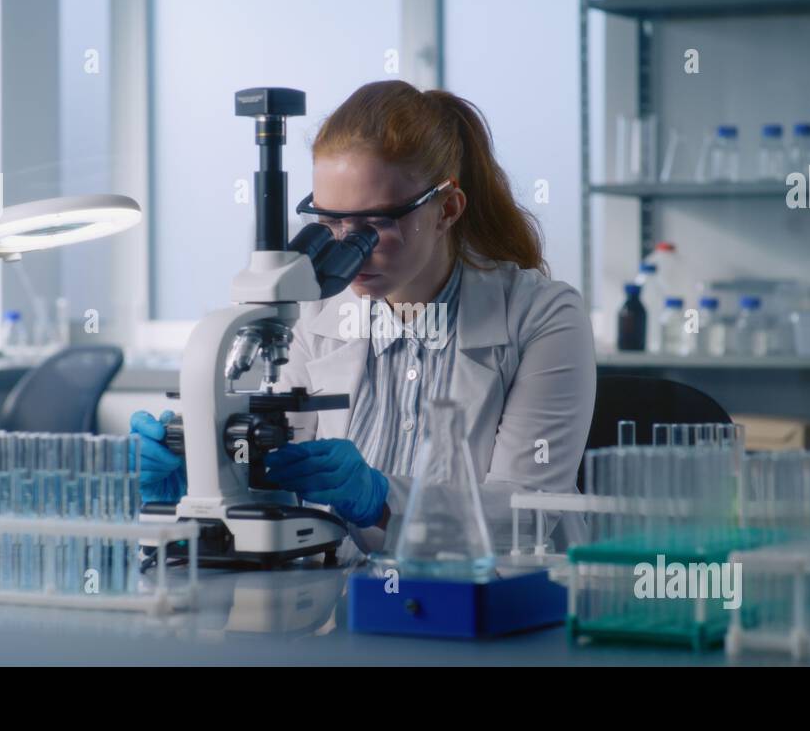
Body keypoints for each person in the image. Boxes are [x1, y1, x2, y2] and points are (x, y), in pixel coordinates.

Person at [132, 79, 595, 555]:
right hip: (339, 600)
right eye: (329, 222)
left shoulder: (542, 315)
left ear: (447, 209)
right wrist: (201, 478)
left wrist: (379, 501)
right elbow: (276, 483)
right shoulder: (311, 312)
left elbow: (528, 511)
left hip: (488, 605)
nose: (347, 248)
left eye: (374, 225)